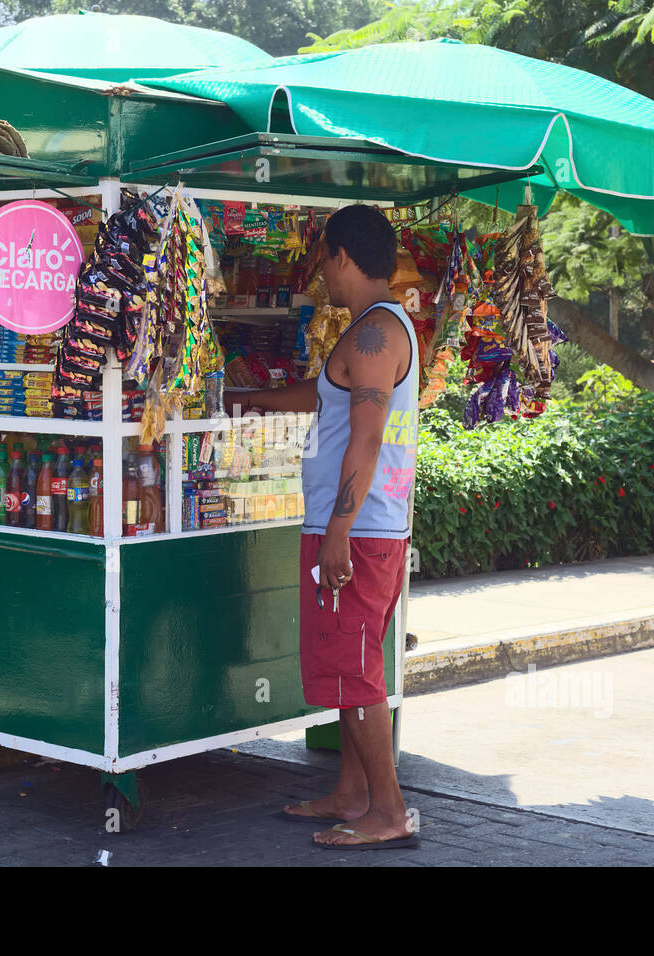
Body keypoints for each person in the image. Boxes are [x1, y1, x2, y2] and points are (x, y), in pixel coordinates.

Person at [245, 203, 419, 850]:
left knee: (356, 670)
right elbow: (328, 398)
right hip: (373, 526)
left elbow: (367, 441)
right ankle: (351, 791)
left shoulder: (374, 335)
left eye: (324, 260)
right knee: (355, 664)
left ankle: (390, 812)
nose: (322, 274)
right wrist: (252, 398)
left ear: (343, 255)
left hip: (359, 530)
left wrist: (339, 532)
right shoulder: (380, 328)